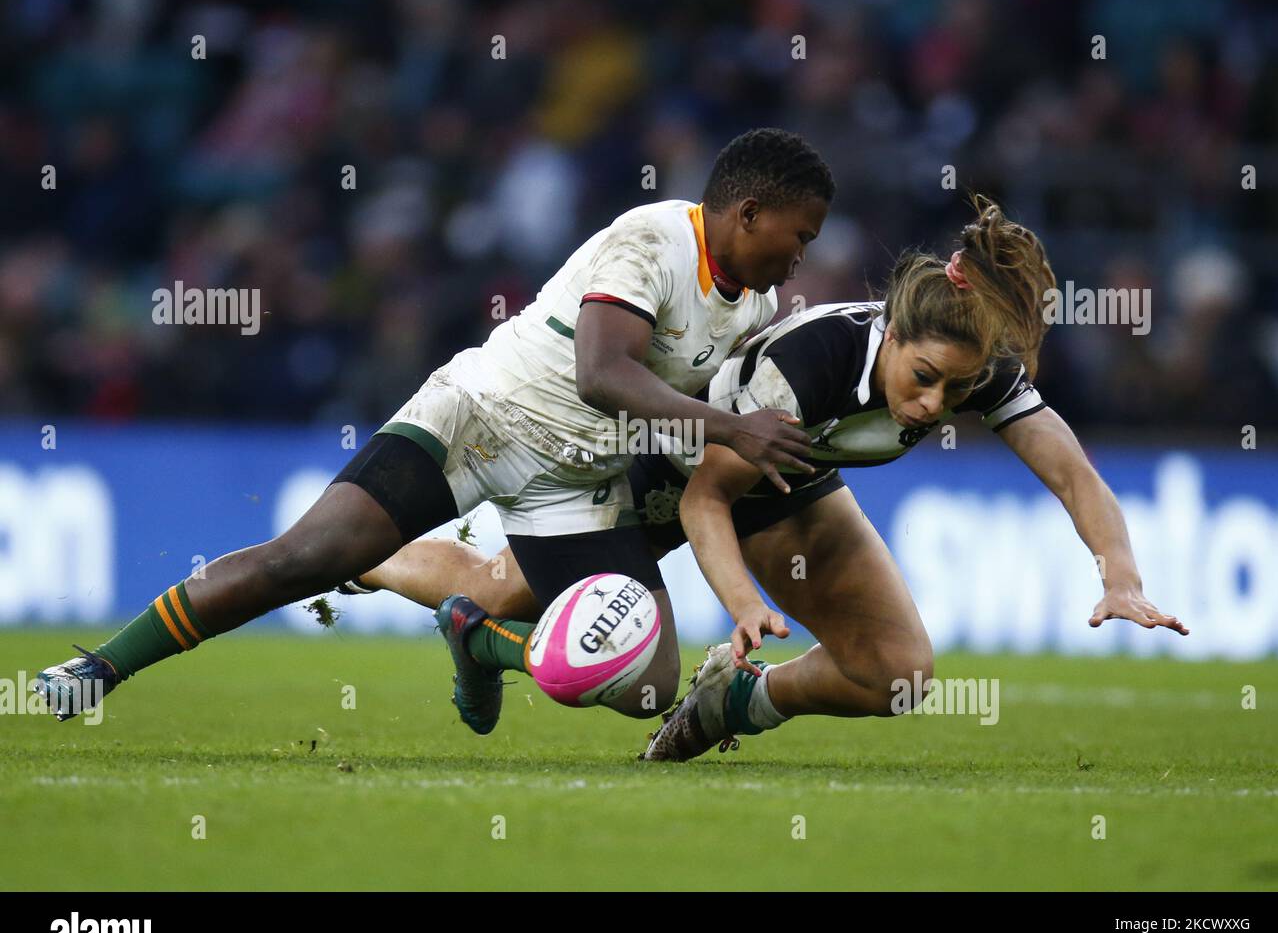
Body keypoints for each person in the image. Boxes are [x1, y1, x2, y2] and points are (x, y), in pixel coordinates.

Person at [34, 128, 835, 729]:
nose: (802, 256)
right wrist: (733, 429)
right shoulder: (654, 239)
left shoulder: (755, 307)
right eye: (799, 235)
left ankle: (480, 635)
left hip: (576, 486)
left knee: (651, 683)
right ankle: (102, 665)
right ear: (750, 211)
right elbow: (603, 371)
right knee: (303, 560)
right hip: (481, 418)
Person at [339, 197, 1187, 758]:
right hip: (655, 469)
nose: (935, 405)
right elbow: (707, 494)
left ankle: (730, 705)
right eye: (924, 377)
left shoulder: (976, 369)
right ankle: (364, 558)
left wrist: (1120, 575)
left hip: (785, 481)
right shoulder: (809, 362)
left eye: (957, 390)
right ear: (890, 331)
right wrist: (747, 605)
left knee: (898, 674)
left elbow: (1074, 475)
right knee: (497, 595)